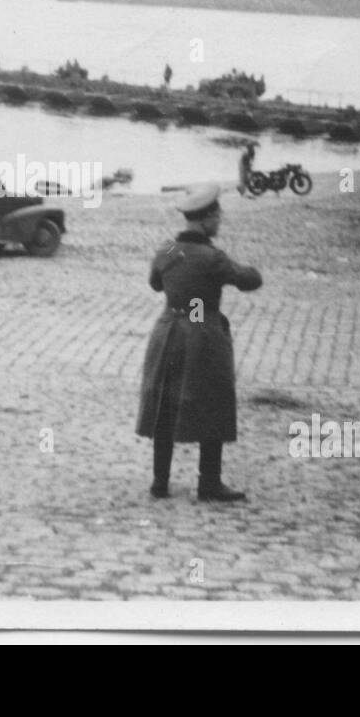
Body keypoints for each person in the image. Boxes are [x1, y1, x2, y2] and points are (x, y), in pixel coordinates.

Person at [137, 184, 262, 502]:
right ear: (205, 219)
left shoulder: (167, 249)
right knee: (212, 402)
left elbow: (155, 283)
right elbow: (248, 280)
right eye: (217, 216)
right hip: (202, 333)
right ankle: (209, 483)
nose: (219, 221)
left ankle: (160, 482)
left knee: (165, 404)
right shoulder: (212, 257)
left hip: (167, 332)